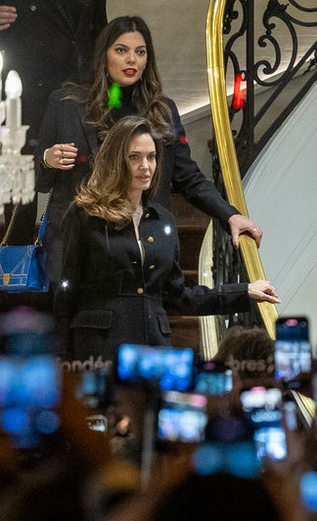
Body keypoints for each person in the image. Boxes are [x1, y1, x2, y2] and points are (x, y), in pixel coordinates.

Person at [38, 15, 263, 282]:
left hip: (143, 248)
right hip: (79, 251)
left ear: (148, 60)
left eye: (140, 52)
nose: (132, 59)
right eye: (121, 50)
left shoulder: (162, 113)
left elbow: (188, 178)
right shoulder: (67, 104)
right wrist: (46, 159)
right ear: (104, 56)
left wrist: (230, 216)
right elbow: (39, 181)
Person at [53, 116, 279, 363]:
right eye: (134, 157)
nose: (146, 166)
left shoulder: (163, 221)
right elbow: (65, 292)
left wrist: (245, 291)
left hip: (155, 349)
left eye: (151, 157)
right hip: (100, 349)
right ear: (115, 161)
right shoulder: (85, 214)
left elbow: (180, 296)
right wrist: (62, 358)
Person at [0, 0, 107, 245]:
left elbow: (100, 41)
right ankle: (18, 285)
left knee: (73, 197)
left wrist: (110, 101)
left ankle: (64, 284)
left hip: (73, 98)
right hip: (20, 101)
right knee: (20, 201)